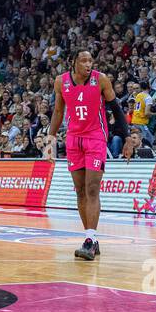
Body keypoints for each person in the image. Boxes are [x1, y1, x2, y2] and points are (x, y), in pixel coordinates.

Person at [44, 49, 125, 262]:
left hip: (95, 137)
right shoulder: (61, 82)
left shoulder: (101, 80)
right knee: (79, 190)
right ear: (74, 63)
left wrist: (126, 139)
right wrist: (50, 140)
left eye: (91, 60)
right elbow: (58, 112)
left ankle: (89, 240)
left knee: (91, 188)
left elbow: (116, 109)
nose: (88, 64)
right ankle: (91, 237)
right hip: (73, 139)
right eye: (83, 61)